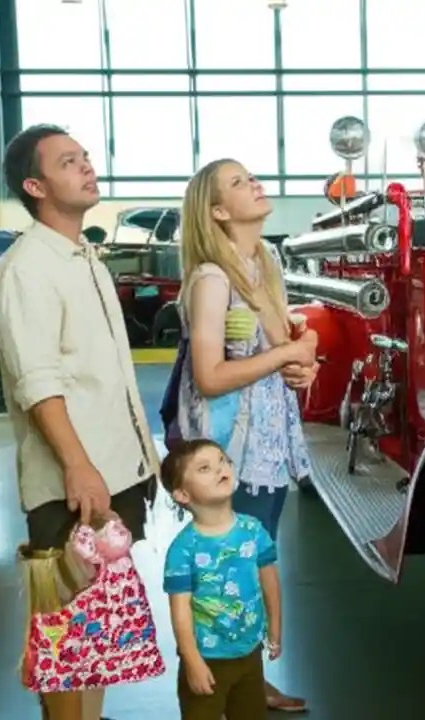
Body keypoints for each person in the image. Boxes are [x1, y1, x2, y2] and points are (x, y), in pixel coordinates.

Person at [0, 123, 162, 720]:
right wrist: (79, 466)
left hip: (115, 469)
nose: (87, 166)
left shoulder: (83, 256)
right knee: (64, 627)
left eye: (85, 157)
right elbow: (38, 380)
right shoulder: (26, 268)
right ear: (36, 185)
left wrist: (139, 464)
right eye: (68, 162)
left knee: (97, 619)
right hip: (73, 480)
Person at [169, 157, 317, 713]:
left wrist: (301, 366)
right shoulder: (212, 278)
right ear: (216, 211)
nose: (254, 182)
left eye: (250, 175)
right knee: (224, 572)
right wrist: (285, 354)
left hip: (270, 447)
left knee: (251, 563)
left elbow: (278, 352)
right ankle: (210, 679)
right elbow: (210, 377)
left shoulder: (264, 262)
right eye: (238, 182)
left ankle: (246, 677)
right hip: (233, 451)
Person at [160, 438, 283, 720]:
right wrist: (192, 662)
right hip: (208, 659)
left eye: (223, 461)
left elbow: (270, 583)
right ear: (182, 494)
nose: (220, 469)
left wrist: (275, 628)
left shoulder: (253, 530)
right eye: (205, 468)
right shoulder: (183, 549)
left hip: (250, 653)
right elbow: (180, 612)